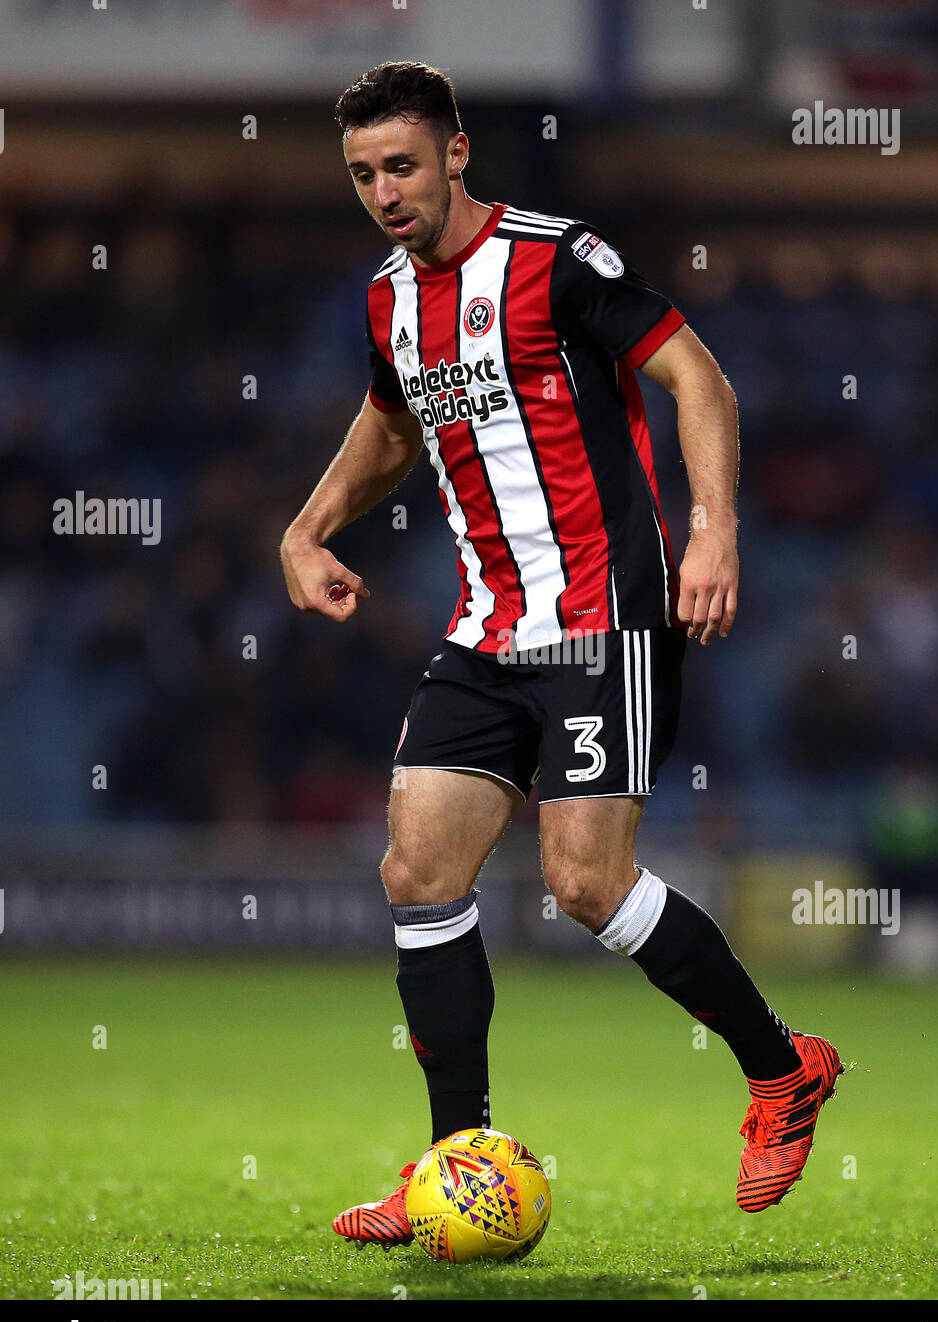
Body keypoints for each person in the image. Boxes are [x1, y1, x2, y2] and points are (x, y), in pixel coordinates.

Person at [279, 60, 841, 1249]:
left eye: (401, 165)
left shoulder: (556, 257)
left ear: (456, 154)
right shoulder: (391, 298)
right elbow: (393, 421)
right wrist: (309, 524)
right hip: (485, 626)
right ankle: (454, 1161)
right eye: (362, 173)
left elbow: (698, 376)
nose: (383, 190)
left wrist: (713, 530)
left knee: (583, 887)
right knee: (416, 873)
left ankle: (782, 1065)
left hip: (602, 617)